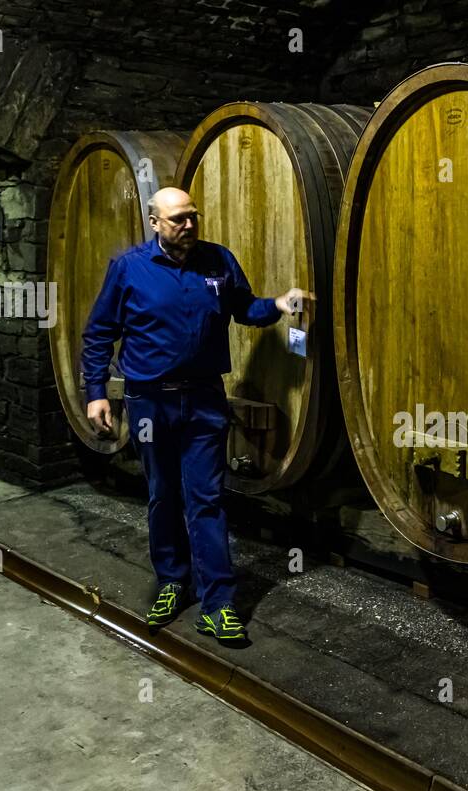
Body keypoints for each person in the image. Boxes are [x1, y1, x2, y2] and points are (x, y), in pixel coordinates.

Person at [80, 186, 313, 644]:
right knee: (163, 495)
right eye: (177, 220)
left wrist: (278, 306)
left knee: (206, 499)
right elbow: (99, 332)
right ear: (154, 223)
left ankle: (218, 604)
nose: (188, 226)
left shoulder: (218, 260)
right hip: (150, 400)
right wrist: (95, 392)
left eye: (192, 217)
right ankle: (171, 581)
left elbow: (243, 308)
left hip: (205, 399)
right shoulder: (129, 269)